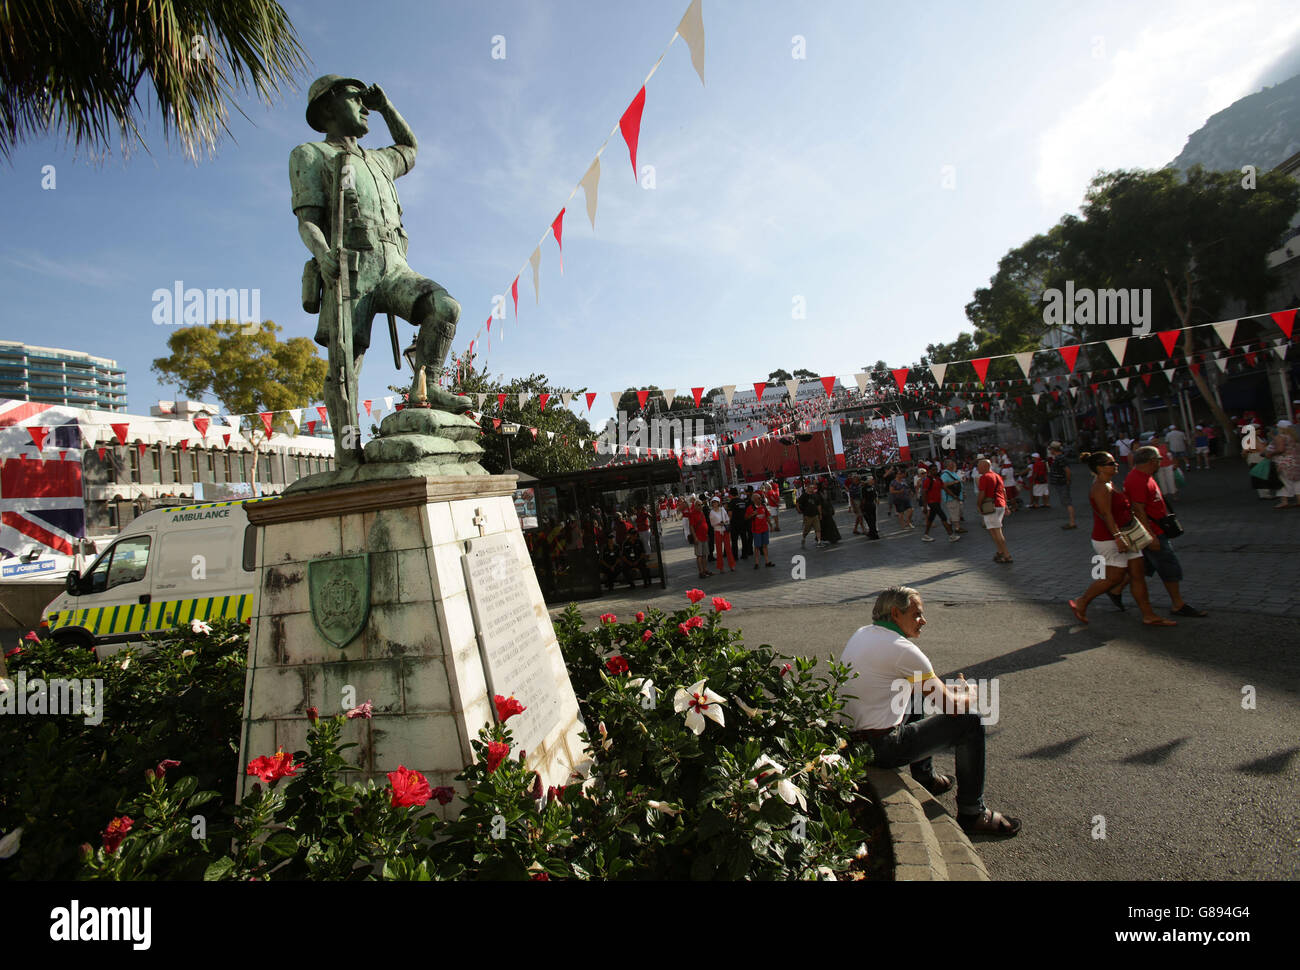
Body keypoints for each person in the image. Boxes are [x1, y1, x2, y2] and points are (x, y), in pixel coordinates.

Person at [291, 76, 467, 467]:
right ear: (328, 108)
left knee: (445, 307)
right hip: (352, 270)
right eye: (357, 100)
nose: (365, 107)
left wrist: (387, 106)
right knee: (343, 368)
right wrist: (323, 255)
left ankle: (430, 384)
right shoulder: (311, 154)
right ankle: (347, 452)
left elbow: (410, 148)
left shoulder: (378, 160)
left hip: (394, 266)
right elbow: (308, 220)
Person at [838, 586, 1021, 837]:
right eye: (917, 615)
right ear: (895, 614)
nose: (923, 621)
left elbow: (933, 693)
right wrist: (970, 695)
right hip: (881, 748)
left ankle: (925, 777)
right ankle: (972, 813)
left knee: (914, 691)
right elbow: (951, 708)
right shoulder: (903, 650)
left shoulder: (863, 633)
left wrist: (951, 695)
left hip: (853, 741)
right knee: (970, 722)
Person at [1066, 452, 1177, 627]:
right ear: (1100, 468)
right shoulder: (1100, 487)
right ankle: (1082, 601)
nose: (1116, 465)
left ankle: (1148, 614)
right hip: (1109, 538)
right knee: (1114, 578)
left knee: (1137, 575)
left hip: (1126, 535)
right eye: (1111, 463)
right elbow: (1106, 514)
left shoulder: (1109, 483)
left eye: (1115, 462)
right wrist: (1118, 537)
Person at [1119, 446, 1207, 617]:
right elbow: (1138, 508)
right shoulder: (1137, 479)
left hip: (1157, 529)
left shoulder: (1145, 476)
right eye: (1159, 460)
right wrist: (1150, 535)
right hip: (1154, 531)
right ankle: (1178, 604)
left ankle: (1114, 589)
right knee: (1168, 566)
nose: (1160, 463)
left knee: (1142, 567)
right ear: (1152, 461)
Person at [976, 458, 1012, 563]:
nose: (977, 468)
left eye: (979, 466)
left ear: (985, 467)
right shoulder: (997, 475)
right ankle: (1000, 552)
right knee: (993, 530)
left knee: (997, 532)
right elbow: (1003, 490)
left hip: (991, 506)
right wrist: (1006, 505)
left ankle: (1006, 554)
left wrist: (978, 505)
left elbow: (982, 493)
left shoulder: (984, 477)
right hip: (1000, 504)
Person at [1264, 420, 1300, 508]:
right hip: (1295, 461)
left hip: (1283, 462)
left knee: (1283, 482)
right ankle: (1299, 500)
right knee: (1297, 482)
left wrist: (1270, 454)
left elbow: (1280, 449)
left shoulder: (1281, 437)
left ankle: (1284, 501)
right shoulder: (1293, 437)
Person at [920, 464, 960, 543]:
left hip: (937, 502)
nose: (935, 471)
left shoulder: (938, 479)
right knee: (943, 517)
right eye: (934, 470)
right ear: (930, 471)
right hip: (932, 502)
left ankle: (926, 535)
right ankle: (951, 535)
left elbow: (945, 488)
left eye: (936, 469)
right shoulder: (928, 480)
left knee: (931, 519)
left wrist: (954, 496)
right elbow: (924, 493)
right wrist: (925, 506)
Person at [1047, 441, 1076, 530]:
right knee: (1066, 502)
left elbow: (1067, 470)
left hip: (1062, 483)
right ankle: (1071, 522)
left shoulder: (1060, 458)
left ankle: (1072, 522)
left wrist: (1067, 480)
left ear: (1053, 450)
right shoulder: (1058, 458)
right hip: (1060, 482)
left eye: (1051, 449)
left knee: (1067, 502)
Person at [744, 491, 776, 569]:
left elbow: (767, 517)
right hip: (756, 530)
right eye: (758, 498)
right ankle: (757, 563)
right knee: (757, 546)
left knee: (765, 545)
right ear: (754, 500)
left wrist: (771, 526)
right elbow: (746, 517)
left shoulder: (763, 507)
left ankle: (767, 561)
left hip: (764, 529)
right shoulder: (750, 508)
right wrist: (752, 514)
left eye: (760, 498)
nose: (760, 499)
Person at [684, 497, 712, 578]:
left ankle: (705, 569)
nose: (700, 506)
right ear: (695, 506)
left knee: (705, 555)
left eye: (701, 505)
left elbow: (704, 523)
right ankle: (701, 572)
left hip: (704, 536)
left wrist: (707, 534)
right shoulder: (692, 514)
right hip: (698, 537)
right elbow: (691, 527)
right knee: (699, 555)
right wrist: (695, 537)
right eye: (698, 505)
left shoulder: (702, 513)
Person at [709, 496, 736, 572]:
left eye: (716, 502)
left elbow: (727, 518)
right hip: (717, 531)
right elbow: (712, 524)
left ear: (718, 503)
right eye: (713, 502)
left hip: (725, 530)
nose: (714, 503)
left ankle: (732, 565)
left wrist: (724, 522)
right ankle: (721, 567)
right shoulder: (711, 512)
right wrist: (718, 523)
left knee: (728, 549)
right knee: (719, 550)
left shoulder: (722, 509)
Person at [940, 459, 967, 533]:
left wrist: (963, 492)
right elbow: (943, 485)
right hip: (951, 497)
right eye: (952, 464)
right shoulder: (945, 475)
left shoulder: (953, 473)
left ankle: (950, 522)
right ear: (948, 466)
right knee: (954, 511)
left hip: (957, 495)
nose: (954, 465)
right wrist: (955, 482)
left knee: (957, 511)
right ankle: (957, 528)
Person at [798, 482, 824, 547]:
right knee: (807, 530)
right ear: (807, 488)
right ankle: (803, 538)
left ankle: (819, 541)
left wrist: (820, 514)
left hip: (815, 515)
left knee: (818, 529)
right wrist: (799, 510)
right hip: (808, 515)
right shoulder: (804, 495)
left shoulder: (815, 495)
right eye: (811, 488)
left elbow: (818, 505)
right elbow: (798, 503)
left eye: (813, 488)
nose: (812, 489)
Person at [819, 480, 842, 544]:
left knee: (831, 523)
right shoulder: (818, 493)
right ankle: (827, 537)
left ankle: (834, 537)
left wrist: (832, 509)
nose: (825, 485)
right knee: (825, 525)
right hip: (823, 510)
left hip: (828, 509)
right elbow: (819, 503)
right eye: (823, 484)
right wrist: (821, 512)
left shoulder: (826, 492)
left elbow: (829, 501)